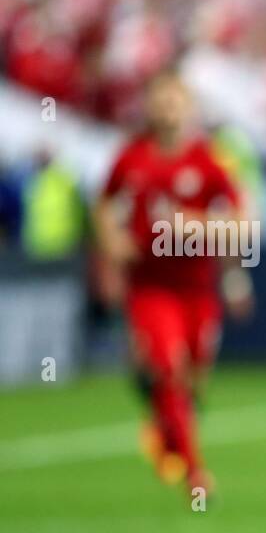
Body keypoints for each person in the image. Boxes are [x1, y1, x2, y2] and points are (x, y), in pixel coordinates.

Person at [94, 71, 252, 496]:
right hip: (150, 287)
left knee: (194, 378)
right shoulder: (131, 158)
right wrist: (112, 243)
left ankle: (163, 429)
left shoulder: (209, 160)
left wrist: (198, 228)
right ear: (147, 106)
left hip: (197, 287)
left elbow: (242, 224)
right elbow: (105, 204)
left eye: (174, 100)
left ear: (188, 107)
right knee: (170, 369)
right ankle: (196, 475)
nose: (167, 108)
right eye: (160, 100)